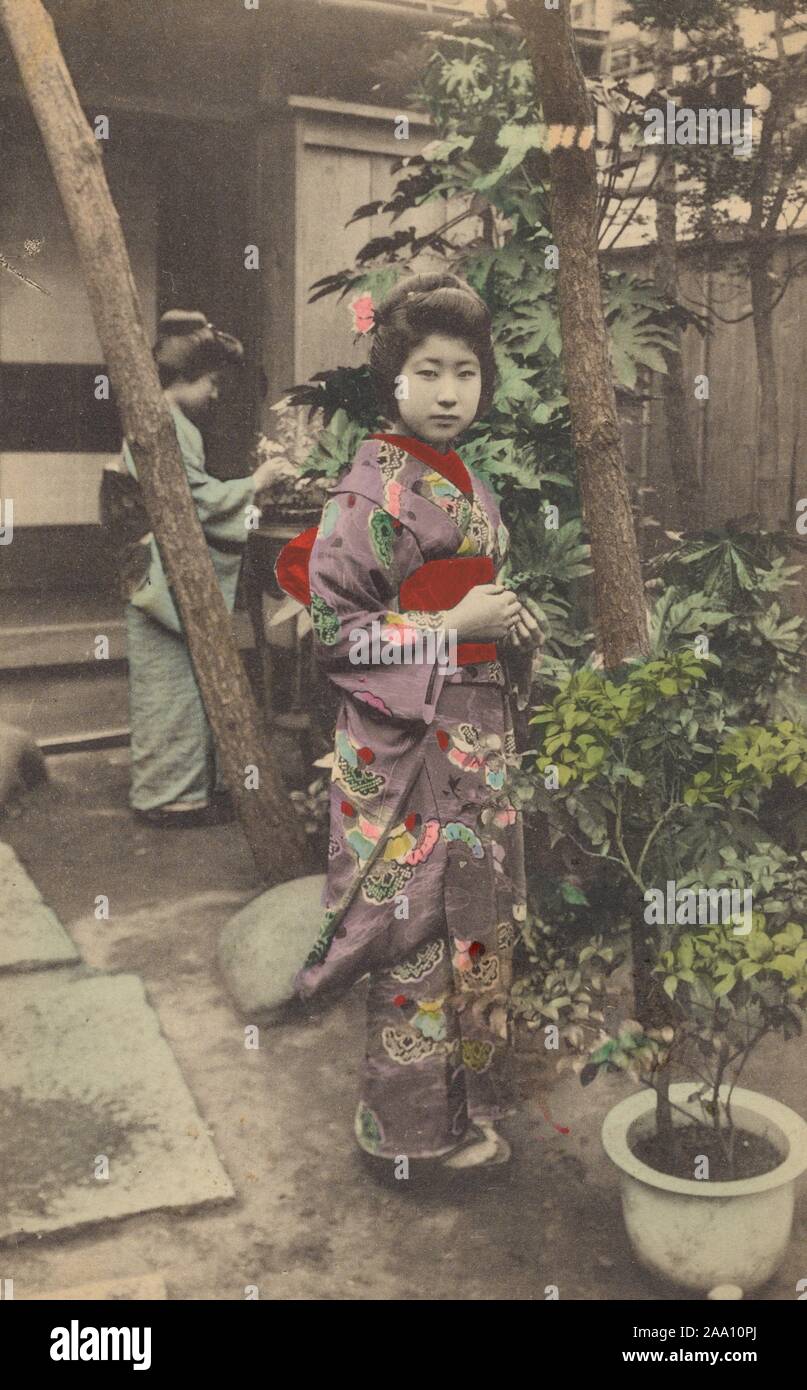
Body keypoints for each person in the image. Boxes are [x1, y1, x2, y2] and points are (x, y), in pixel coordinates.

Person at [276, 273, 543, 1170]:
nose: (447, 392)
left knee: (478, 914)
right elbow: (337, 631)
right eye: (427, 370)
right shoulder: (367, 495)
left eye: (464, 372)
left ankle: (470, 1106)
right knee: (415, 925)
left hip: (472, 726)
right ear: (391, 377)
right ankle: (408, 1134)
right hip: (408, 739)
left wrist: (508, 624)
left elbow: (475, 594)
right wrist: (449, 628)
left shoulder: (463, 477)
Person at [120, 310, 277, 827]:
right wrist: (258, 482)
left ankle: (188, 790)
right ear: (184, 379)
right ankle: (170, 798)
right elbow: (198, 500)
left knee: (186, 686)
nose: (215, 393)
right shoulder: (162, 423)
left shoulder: (172, 421)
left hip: (162, 570)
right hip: (155, 578)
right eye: (210, 381)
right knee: (171, 689)